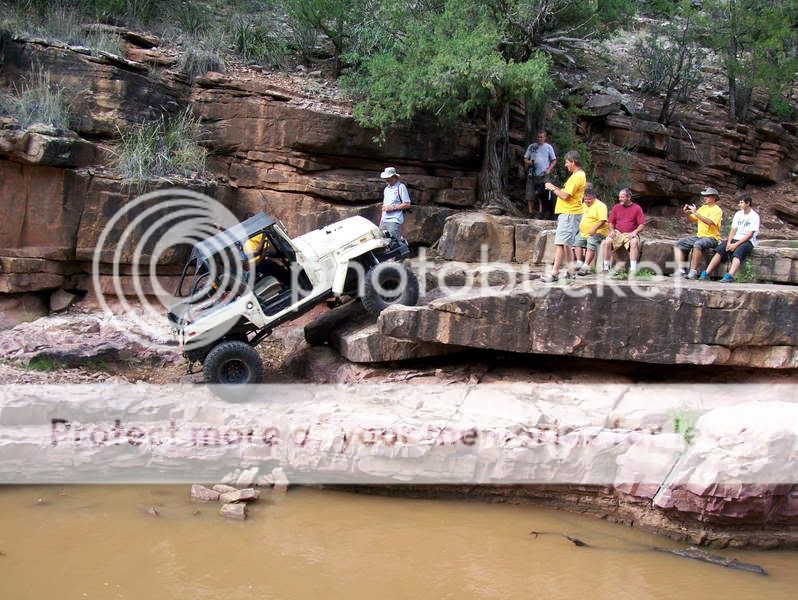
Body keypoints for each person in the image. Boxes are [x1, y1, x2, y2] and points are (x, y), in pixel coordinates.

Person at [542, 150, 585, 282]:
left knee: (560, 243)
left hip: (569, 214)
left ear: (573, 162)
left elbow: (565, 196)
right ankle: (571, 272)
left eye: (567, 162)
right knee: (566, 244)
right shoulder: (576, 176)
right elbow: (567, 193)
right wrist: (555, 187)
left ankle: (554, 273)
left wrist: (552, 188)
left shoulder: (577, 176)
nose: (566, 165)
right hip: (570, 213)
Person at [699, 195, 759, 282]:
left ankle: (730, 275)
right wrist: (729, 243)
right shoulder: (738, 214)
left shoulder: (754, 216)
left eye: (741, 202)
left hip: (748, 241)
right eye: (739, 202)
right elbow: (733, 230)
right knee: (720, 250)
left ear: (748, 203)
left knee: (738, 252)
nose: (739, 204)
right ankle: (706, 273)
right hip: (735, 238)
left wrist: (735, 245)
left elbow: (750, 234)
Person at [673, 187, 723, 279]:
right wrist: (687, 213)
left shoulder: (717, 210)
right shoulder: (703, 208)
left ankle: (693, 271)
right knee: (679, 244)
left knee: (698, 244)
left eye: (707, 196)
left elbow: (710, 222)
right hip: (699, 236)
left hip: (712, 238)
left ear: (713, 198)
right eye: (705, 196)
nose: (705, 198)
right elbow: (691, 219)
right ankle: (681, 270)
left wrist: (696, 213)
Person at [603, 188, 645, 275]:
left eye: (622, 197)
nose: (620, 199)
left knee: (633, 242)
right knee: (607, 241)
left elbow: (642, 225)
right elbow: (610, 222)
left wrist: (635, 232)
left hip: (630, 233)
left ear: (629, 197)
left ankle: (633, 270)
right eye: (619, 197)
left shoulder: (637, 208)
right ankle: (606, 267)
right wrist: (611, 230)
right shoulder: (616, 207)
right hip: (617, 232)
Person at [574, 184, 608, 275]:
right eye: (585, 199)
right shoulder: (583, 204)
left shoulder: (601, 206)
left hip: (599, 231)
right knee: (577, 241)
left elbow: (603, 220)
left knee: (591, 241)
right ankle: (579, 262)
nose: (587, 201)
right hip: (584, 232)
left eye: (589, 199)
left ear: (594, 198)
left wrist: (594, 229)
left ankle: (585, 266)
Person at [523, 131, 557, 218]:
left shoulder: (548, 147)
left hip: (544, 174)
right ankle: (530, 212)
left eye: (541, 137)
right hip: (532, 173)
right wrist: (529, 162)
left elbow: (554, 160)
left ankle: (542, 212)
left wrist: (549, 169)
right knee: (530, 192)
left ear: (545, 138)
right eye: (538, 137)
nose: (540, 139)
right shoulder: (532, 146)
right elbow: (525, 158)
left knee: (543, 194)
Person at [379, 166, 411, 239]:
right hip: (384, 220)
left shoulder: (401, 187)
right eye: (385, 178)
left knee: (394, 243)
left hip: (394, 220)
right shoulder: (386, 189)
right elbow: (385, 206)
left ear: (394, 176)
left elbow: (407, 204)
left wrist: (392, 207)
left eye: (388, 178)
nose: (386, 180)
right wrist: (382, 219)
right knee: (381, 241)